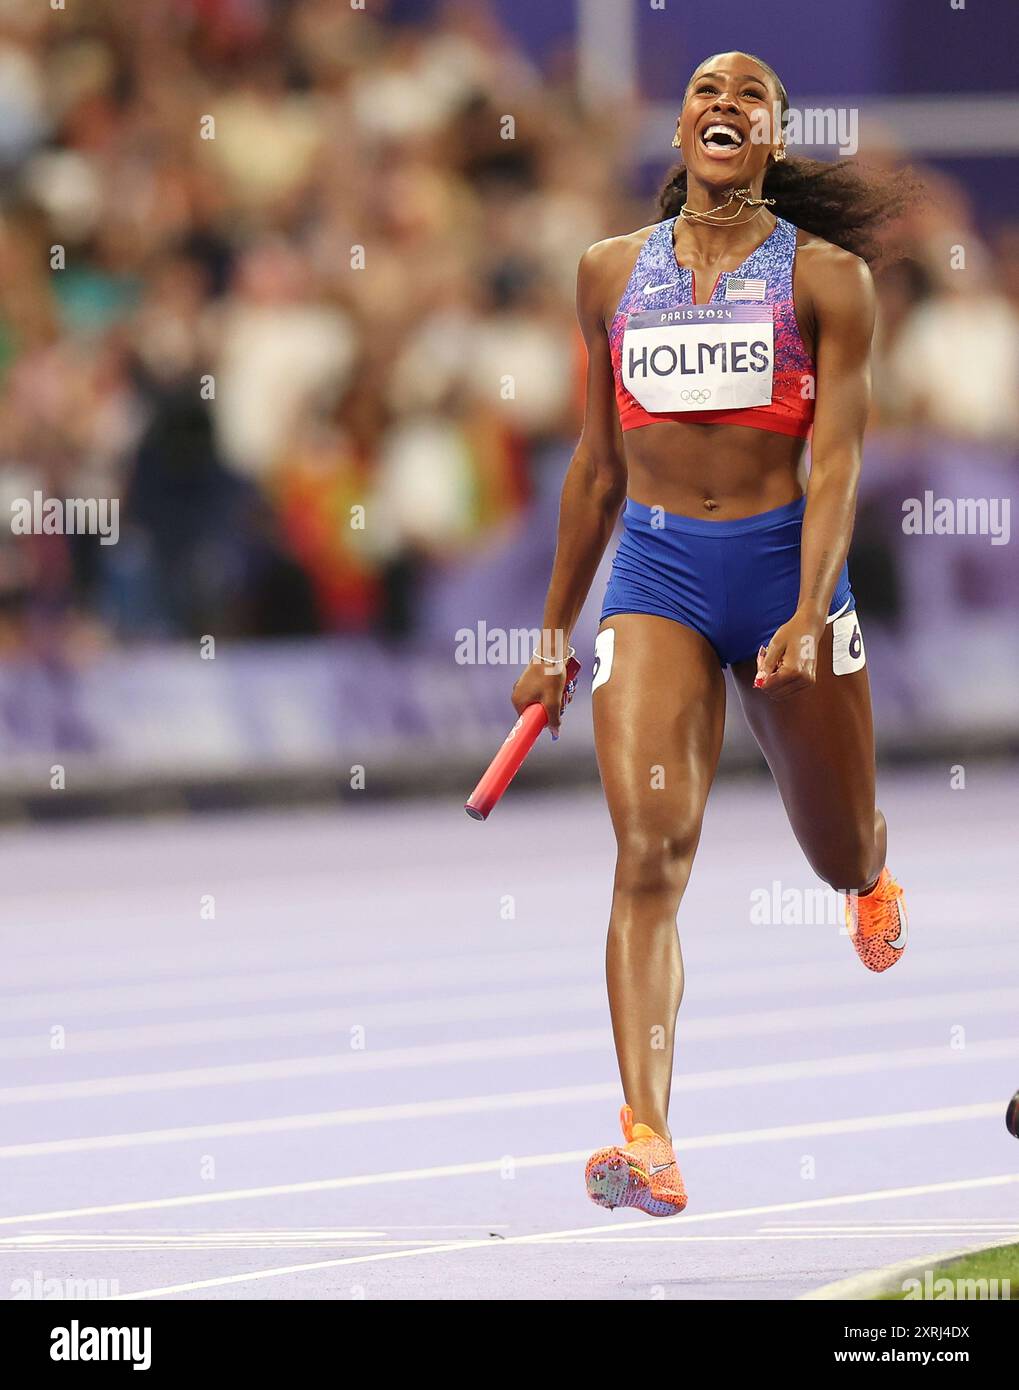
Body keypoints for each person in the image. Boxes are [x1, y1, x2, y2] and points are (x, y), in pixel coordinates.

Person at [510, 51, 911, 1218]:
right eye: (702, 89)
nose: (721, 102)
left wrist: (805, 605)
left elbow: (834, 461)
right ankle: (648, 1136)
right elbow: (593, 468)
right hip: (657, 576)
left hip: (787, 576)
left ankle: (869, 875)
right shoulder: (605, 275)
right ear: (679, 126)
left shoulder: (828, 281)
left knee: (834, 847)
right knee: (647, 852)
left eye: (749, 95)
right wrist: (548, 634)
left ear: (771, 140)